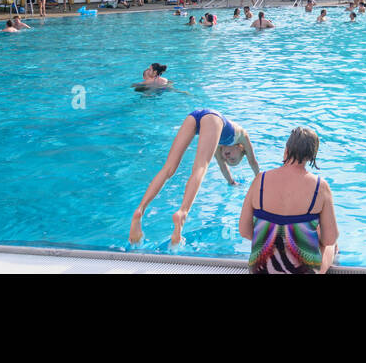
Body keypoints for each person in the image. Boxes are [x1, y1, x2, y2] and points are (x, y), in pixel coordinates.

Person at [130, 110, 260, 245]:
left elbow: (222, 167)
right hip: (213, 118)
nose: (227, 158)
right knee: (200, 168)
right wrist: (260, 180)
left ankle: (140, 210)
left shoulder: (218, 145)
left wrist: (232, 182)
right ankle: (182, 213)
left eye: (229, 160)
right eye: (233, 159)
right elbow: (253, 161)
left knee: (168, 168)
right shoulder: (242, 136)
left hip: (195, 115)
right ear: (240, 149)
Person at [241, 126, 339, 274]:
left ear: (286, 150)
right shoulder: (321, 186)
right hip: (301, 270)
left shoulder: (260, 180)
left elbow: (245, 231)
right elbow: (329, 239)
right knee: (332, 245)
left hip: (261, 270)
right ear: (312, 156)